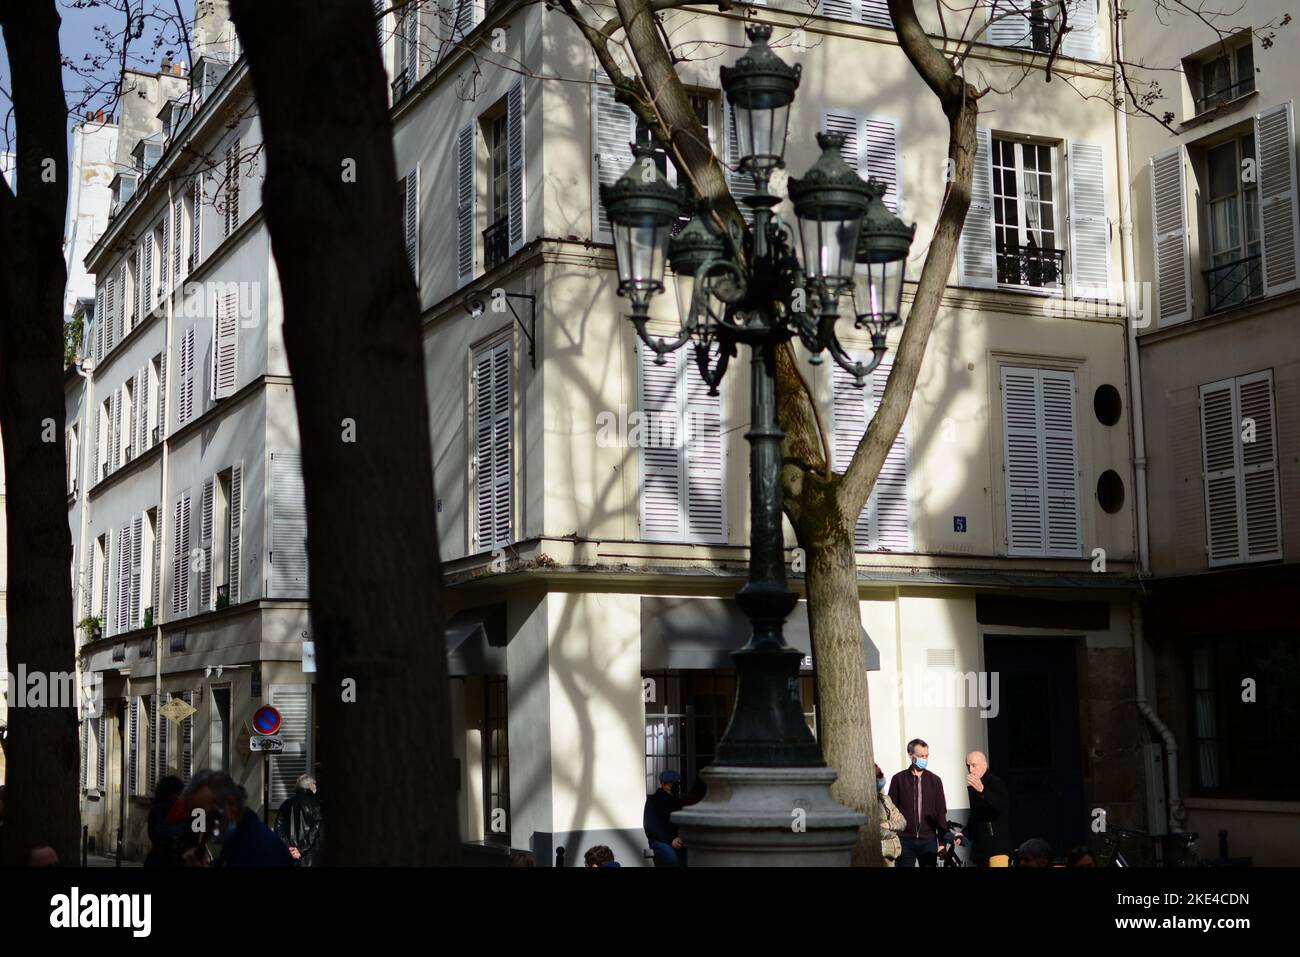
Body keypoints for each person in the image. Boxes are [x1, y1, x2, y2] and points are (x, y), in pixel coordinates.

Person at [181, 770, 293, 867]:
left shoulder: (262, 849)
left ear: (231, 804)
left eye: (209, 816)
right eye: (197, 817)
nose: (204, 827)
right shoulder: (236, 842)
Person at [887, 738, 948, 867]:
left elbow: (941, 812)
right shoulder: (898, 779)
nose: (924, 759)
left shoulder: (935, 781)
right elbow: (890, 809)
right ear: (910, 755)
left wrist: (942, 842)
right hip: (904, 840)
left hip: (928, 841)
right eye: (920, 756)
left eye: (926, 756)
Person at [964, 751, 1011, 867]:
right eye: (968, 766)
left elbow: (1001, 807)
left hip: (997, 847)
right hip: (981, 849)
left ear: (984, 765)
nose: (970, 770)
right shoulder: (974, 787)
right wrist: (963, 834)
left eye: (974, 765)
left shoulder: (996, 783)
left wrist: (983, 791)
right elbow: (975, 817)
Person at [274, 773, 323, 866]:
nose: (315, 785)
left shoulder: (286, 804)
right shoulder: (315, 804)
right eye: (314, 783)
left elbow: (278, 827)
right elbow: (316, 829)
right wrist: (300, 850)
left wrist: (288, 847)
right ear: (310, 786)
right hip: (309, 856)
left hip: (289, 856)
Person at [144, 775, 190, 867]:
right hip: (179, 859)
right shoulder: (186, 810)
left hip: (156, 859)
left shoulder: (155, 809)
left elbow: (152, 835)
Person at [643, 769, 686, 866]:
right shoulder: (653, 800)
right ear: (664, 784)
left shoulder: (677, 801)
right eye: (674, 784)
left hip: (678, 840)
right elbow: (651, 826)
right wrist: (670, 840)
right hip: (661, 841)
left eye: (678, 784)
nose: (677, 787)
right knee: (674, 861)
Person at [876, 763, 906, 866]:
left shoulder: (886, 799)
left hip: (891, 856)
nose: (882, 778)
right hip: (878, 855)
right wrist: (894, 832)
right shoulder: (864, 801)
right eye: (879, 776)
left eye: (882, 775)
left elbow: (903, 822)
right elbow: (874, 831)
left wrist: (889, 825)